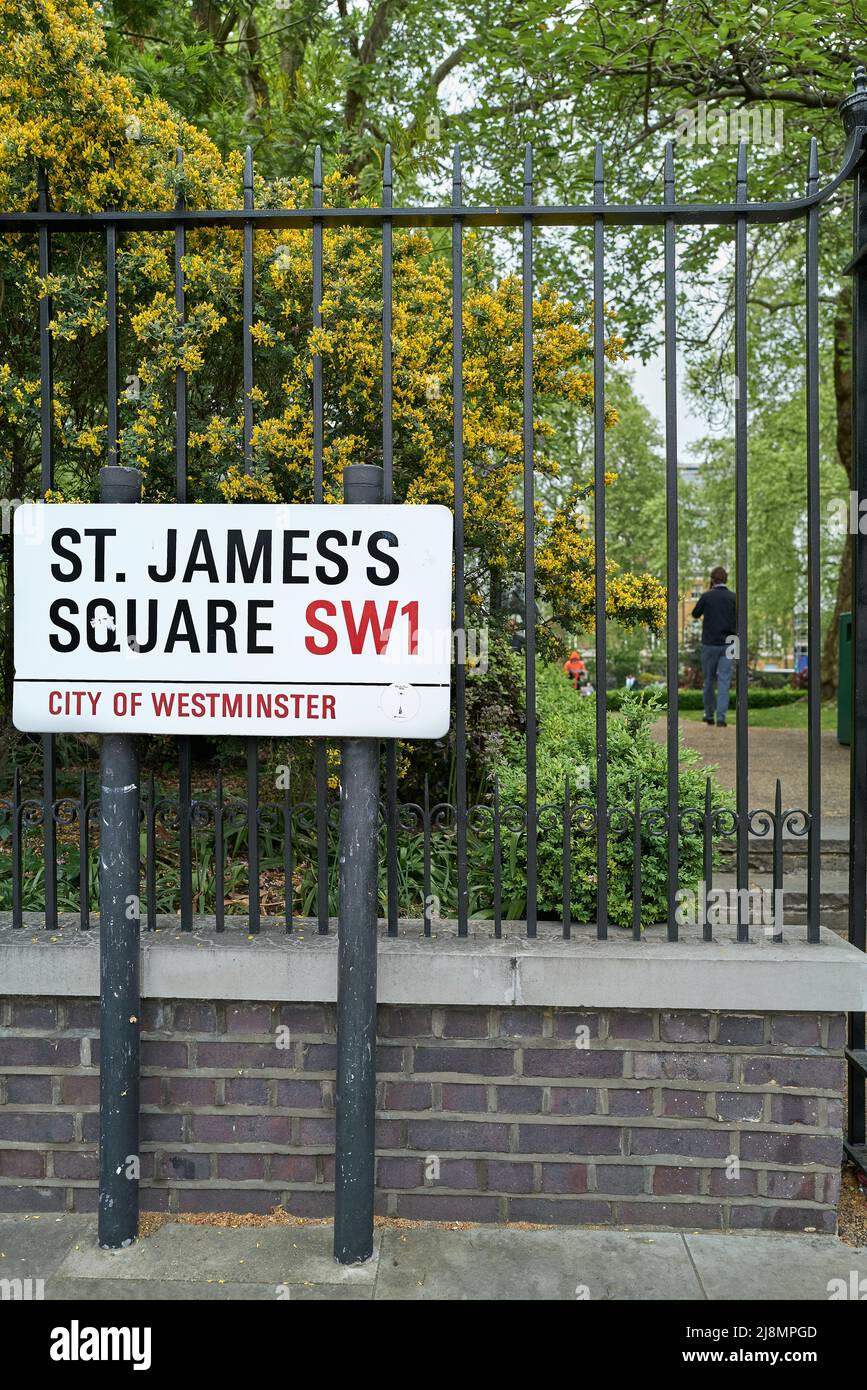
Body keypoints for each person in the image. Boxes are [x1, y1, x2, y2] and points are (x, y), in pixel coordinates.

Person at [691, 566, 737, 727]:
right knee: (725, 681)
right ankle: (722, 718)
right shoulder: (734, 597)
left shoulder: (706, 596)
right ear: (726, 580)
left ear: (712, 580)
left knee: (708, 680)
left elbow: (695, 614)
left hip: (709, 643)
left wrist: (708, 593)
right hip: (731, 643)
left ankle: (709, 714)